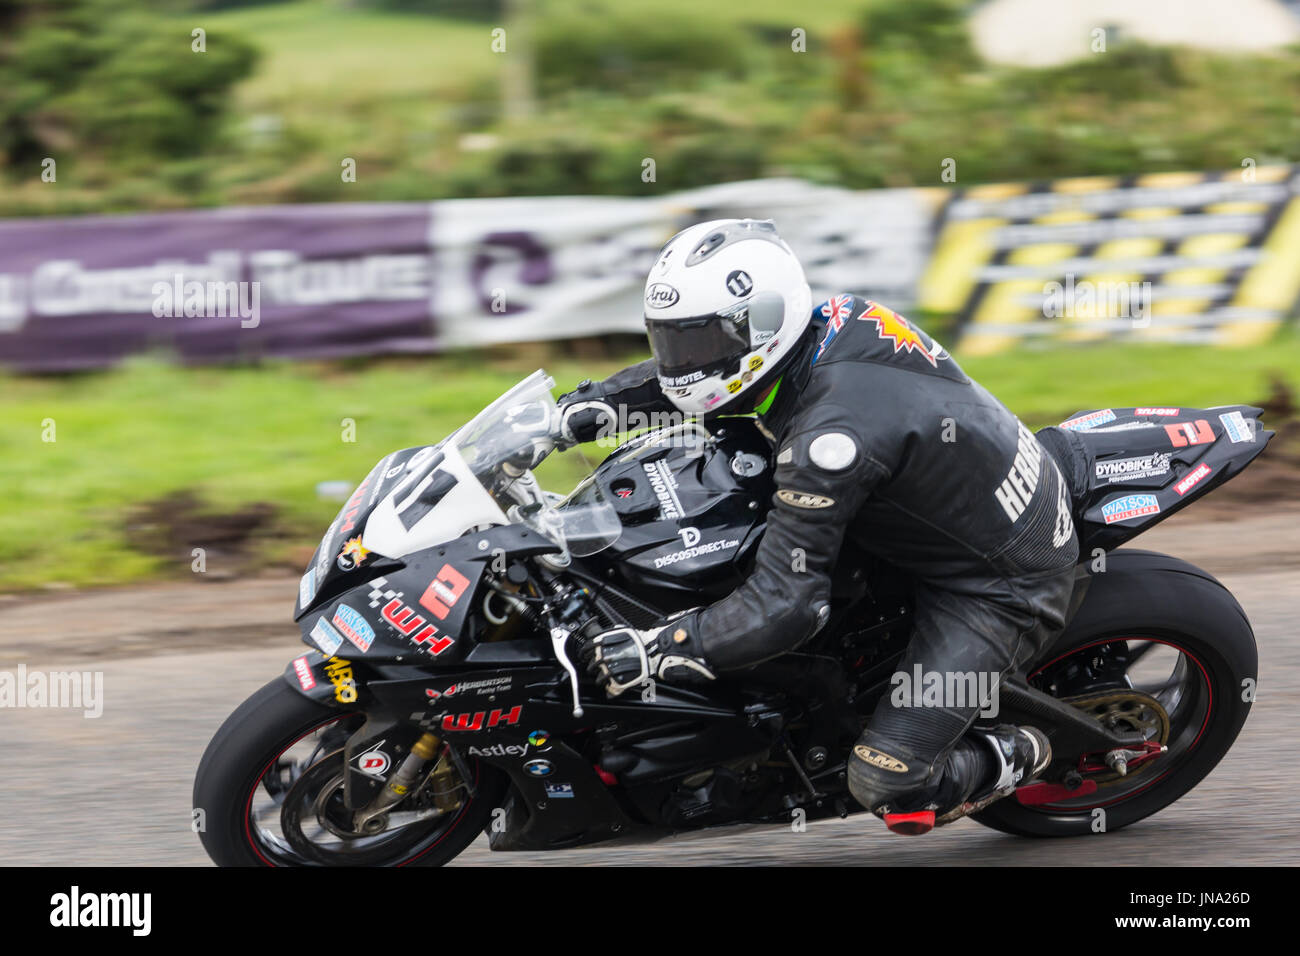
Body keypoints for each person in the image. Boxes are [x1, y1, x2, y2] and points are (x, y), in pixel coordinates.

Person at [559, 219, 1079, 833]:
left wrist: (663, 648)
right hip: (940, 503)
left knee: (890, 780)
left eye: (697, 343)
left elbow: (788, 605)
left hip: (999, 583)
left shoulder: (831, 443)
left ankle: (1027, 750)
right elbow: (694, 379)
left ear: (763, 324)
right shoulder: (827, 319)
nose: (682, 362)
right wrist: (574, 412)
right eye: (673, 341)